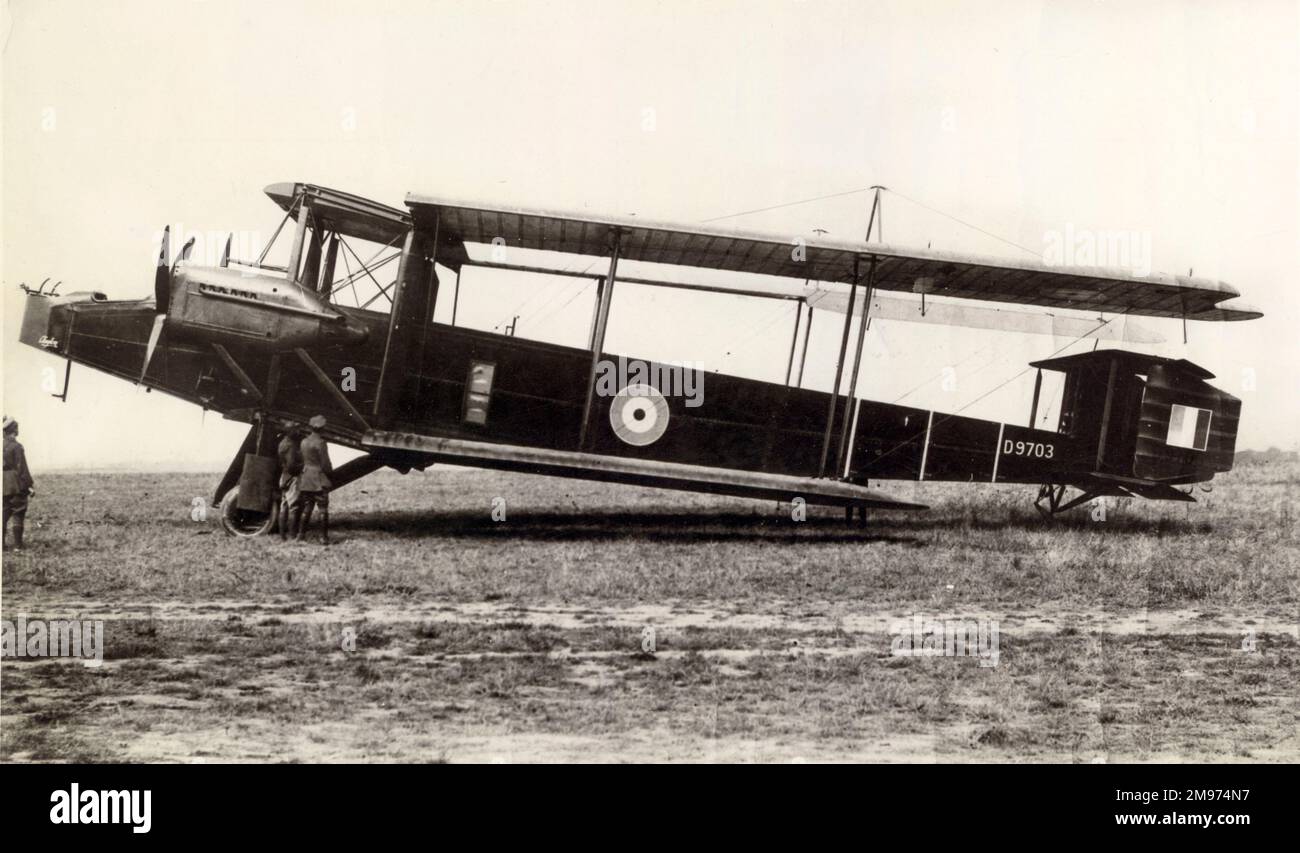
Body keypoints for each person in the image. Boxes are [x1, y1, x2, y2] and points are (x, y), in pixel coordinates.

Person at [294, 415, 334, 544]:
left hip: (306, 478)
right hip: (318, 478)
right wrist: (330, 473)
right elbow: (325, 464)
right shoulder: (321, 443)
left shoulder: (303, 442)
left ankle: (300, 536)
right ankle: (323, 538)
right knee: (323, 509)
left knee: (307, 508)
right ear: (322, 428)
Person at [3, 416, 35, 550]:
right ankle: (17, 546)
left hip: (3, 485)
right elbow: (22, 467)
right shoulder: (17, 447)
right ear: (14, 429)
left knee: (3, 513)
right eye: (17, 427)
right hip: (15, 484)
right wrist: (29, 485)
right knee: (18, 512)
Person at [273, 427, 304, 541]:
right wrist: (303, 465)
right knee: (294, 507)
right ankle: (292, 535)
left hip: (284, 477)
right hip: (292, 477)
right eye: (295, 430)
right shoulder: (291, 445)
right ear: (290, 432)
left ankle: (282, 537)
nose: (298, 431)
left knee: (284, 506)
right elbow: (292, 466)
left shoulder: (282, 443)